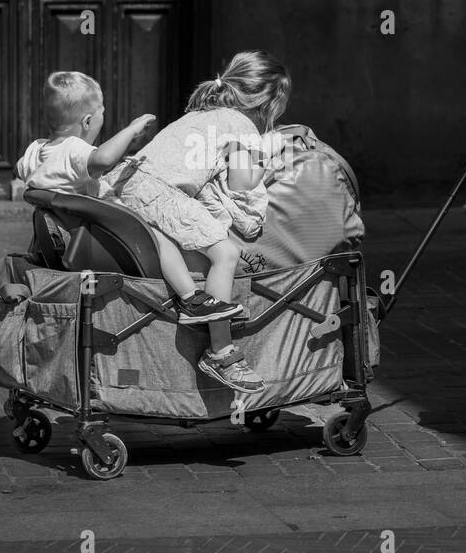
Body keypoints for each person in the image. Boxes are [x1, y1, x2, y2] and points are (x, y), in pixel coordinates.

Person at [103, 51, 292, 394]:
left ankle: (191, 300)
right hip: (157, 191)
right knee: (226, 254)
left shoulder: (202, 113)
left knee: (173, 240)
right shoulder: (242, 125)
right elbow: (242, 184)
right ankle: (221, 351)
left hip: (128, 183)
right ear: (267, 99)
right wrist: (271, 156)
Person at [17, 71, 156, 196]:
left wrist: (129, 142)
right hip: (83, 223)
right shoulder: (73, 150)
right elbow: (104, 158)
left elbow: (20, 168)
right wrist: (131, 130)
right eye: (101, 113)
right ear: (87, 122)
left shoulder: (34, 150)